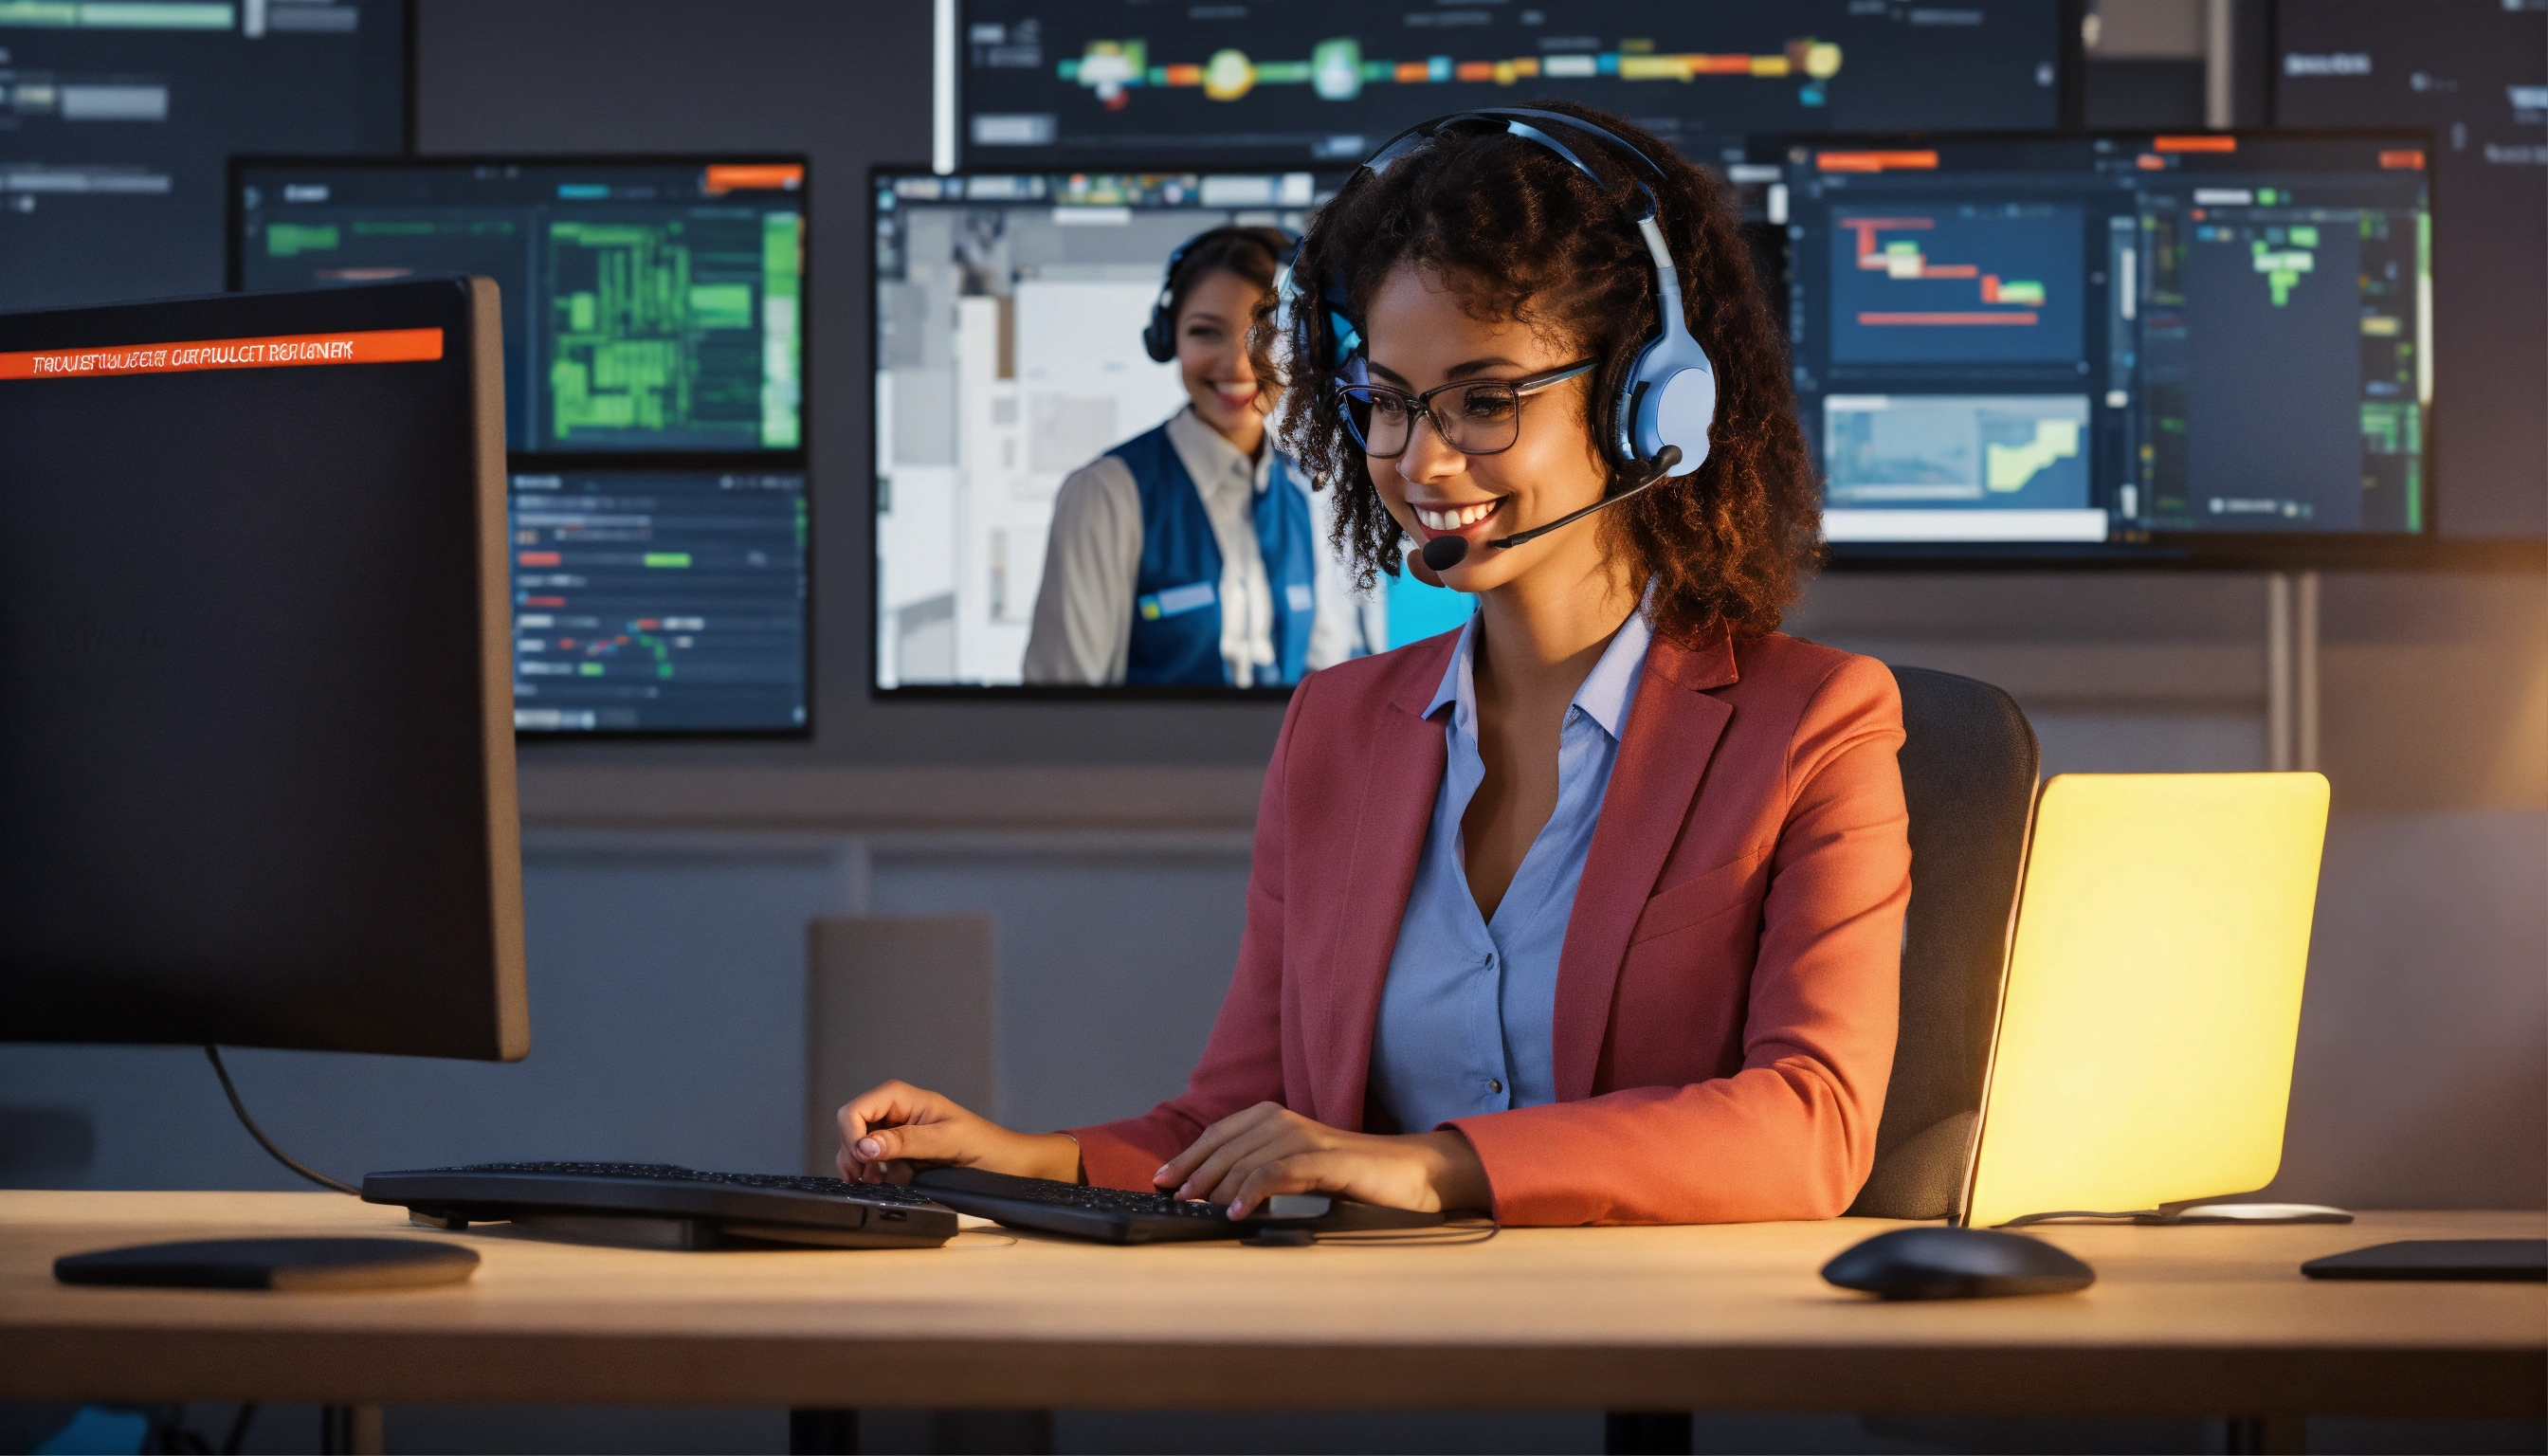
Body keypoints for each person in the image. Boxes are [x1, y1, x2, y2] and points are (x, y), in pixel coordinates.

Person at [843, 102, 1911, 1226]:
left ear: (1651, 402)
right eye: (1389, 405)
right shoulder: (1338, 729)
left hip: (1660, 1340)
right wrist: (1027, 1155)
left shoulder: (1815, 725)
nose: (1422, 460)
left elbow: (1810, 1126)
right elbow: (1241, 1120)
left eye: (1486, 401)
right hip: (1382, 1343)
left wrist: (1429, 1165)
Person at [1021, 226, 1325, 687]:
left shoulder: (1309, 496)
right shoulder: (1105, 496)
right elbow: (1063, 717)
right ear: (1168, 339)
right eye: (1206, 332)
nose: (1239, 365)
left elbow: (1330, 684)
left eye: (1265, 334)